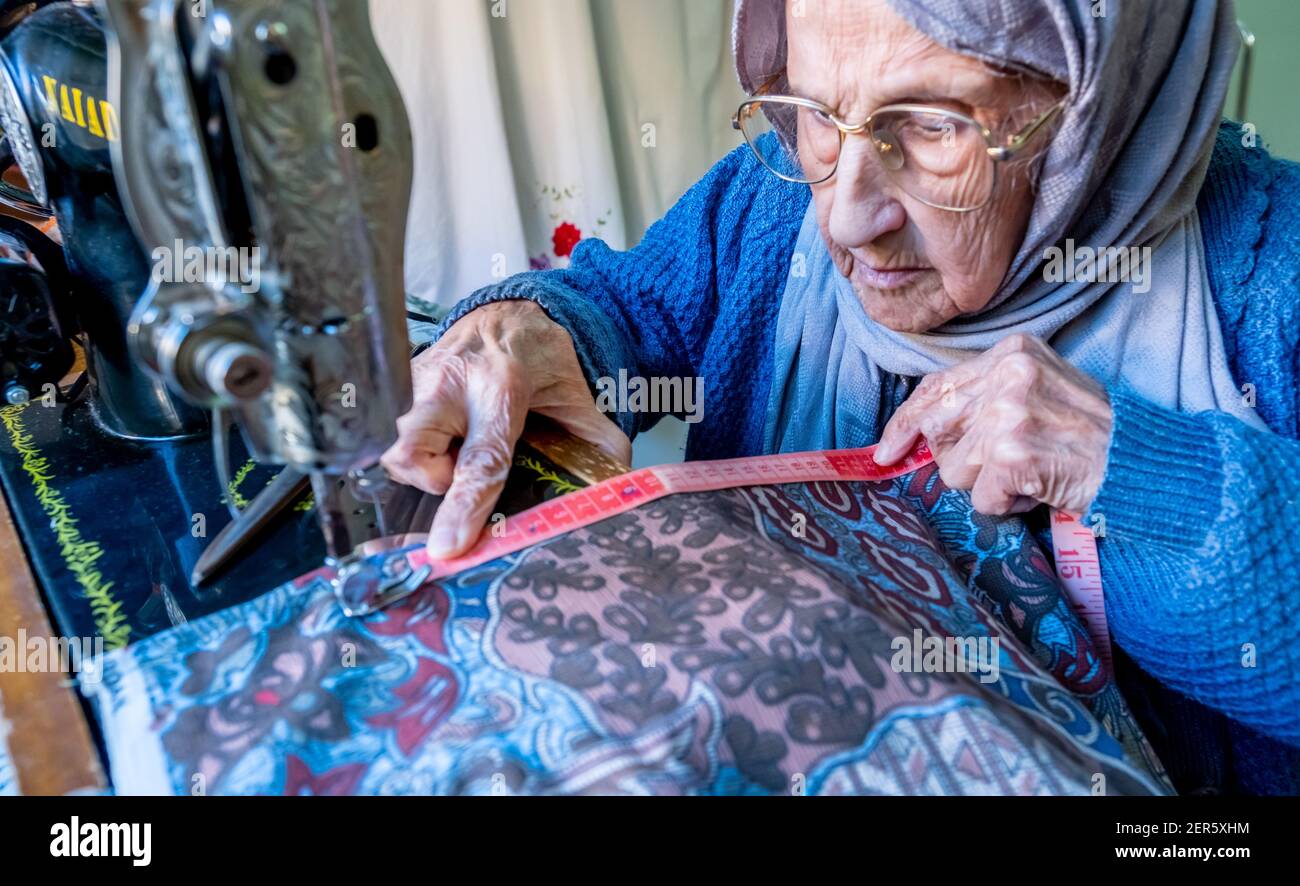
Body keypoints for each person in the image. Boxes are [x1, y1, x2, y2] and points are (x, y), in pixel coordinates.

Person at [382, 0, 1300, 793]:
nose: (846, 217)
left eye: (933, 127)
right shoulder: (766, 199)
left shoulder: (1273, 282)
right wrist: (526, 332)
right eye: (818, 111)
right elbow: (620, 309)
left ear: (1096, 104)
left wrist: (1136, 472)